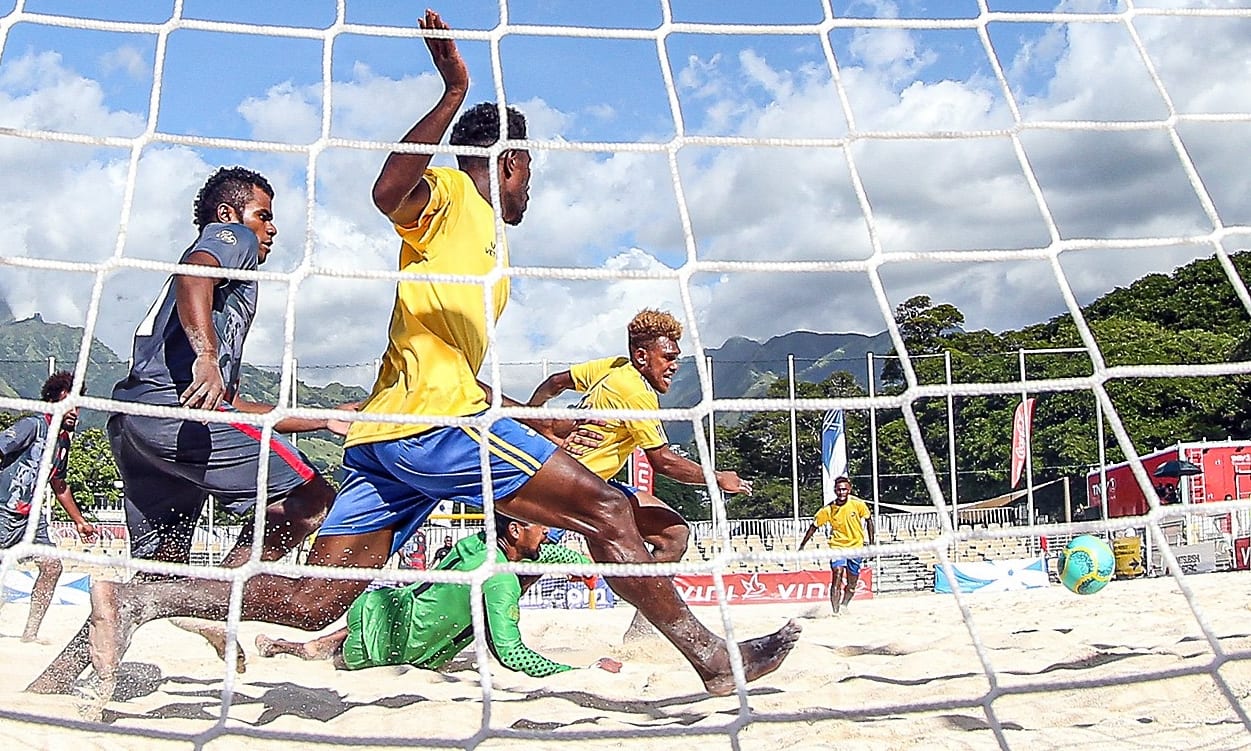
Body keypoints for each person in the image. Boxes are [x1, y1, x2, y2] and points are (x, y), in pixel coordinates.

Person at [79, 8, 798, 702]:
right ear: (511, 162)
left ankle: (144, 600)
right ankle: (716, 661)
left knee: (314, 603)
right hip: (433, 428)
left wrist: (527, 415)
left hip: (392, 434)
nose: (529, 188)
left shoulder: (485, 256)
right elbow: (387, 190)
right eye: (529, 171)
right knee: (610, 509)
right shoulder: (455, 195)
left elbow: (448, 363)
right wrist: (453, 91)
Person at [28, 167, 352, 693]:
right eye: (264, 215)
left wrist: (321, 416)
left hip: (136, 424)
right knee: (312, 496)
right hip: (175, 419)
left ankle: (53, 683)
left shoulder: (224, 297)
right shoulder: (232, 240)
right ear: (229, 215)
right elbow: (194, 271)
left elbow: (230, 404)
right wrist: (206, 354)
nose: (271, 228)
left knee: (154, 576)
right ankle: (217, 598)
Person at [527, 308, 753, 640]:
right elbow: (663, 461)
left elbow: (555, 382)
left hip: (593, 486)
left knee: (673, 534)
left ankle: (643, 633)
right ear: (642, 356)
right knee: (522, 563)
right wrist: (717, 478)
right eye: (668, 357)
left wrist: (533, 419)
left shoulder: (613, 366)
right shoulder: (637, 394)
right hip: (565, 491)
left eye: (676, 357)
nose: (674, 365)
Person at [250, 514, 621, 677]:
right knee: (348, 654)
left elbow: (539, 553)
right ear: (514, 530)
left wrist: (577, 562)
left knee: (363, 626)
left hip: (387, 607)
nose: (547, 533)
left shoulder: (478, 544)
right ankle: (308, 649)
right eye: (541, 528)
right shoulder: (500, 581)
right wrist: (576, 672)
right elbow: (510, 653)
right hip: (397, 650)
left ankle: (301, 647)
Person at [0, 371, 97, 642]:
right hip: (3, 510)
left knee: (52, 566)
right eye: (68, 405)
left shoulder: (63, 441)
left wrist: (80, 521)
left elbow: (59, 484)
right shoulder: (32, 426)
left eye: (77, 406)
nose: (74, 412)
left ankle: (30, 634)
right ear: (52, 402)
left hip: (31, 517)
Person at [798, 476, 876, 616]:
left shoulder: (858, 504)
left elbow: (869, 521)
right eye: (839, 490)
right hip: (837, 547)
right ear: (835, 490)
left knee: (852, 584)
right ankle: (835, 612)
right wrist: (802, 545)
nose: (841, 492)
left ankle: (844, 605)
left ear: (849, 490)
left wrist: (871, 543)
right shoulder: (828, 509)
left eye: (844, 489)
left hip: (856, 547)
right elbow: (813, 526)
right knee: (837, 574)